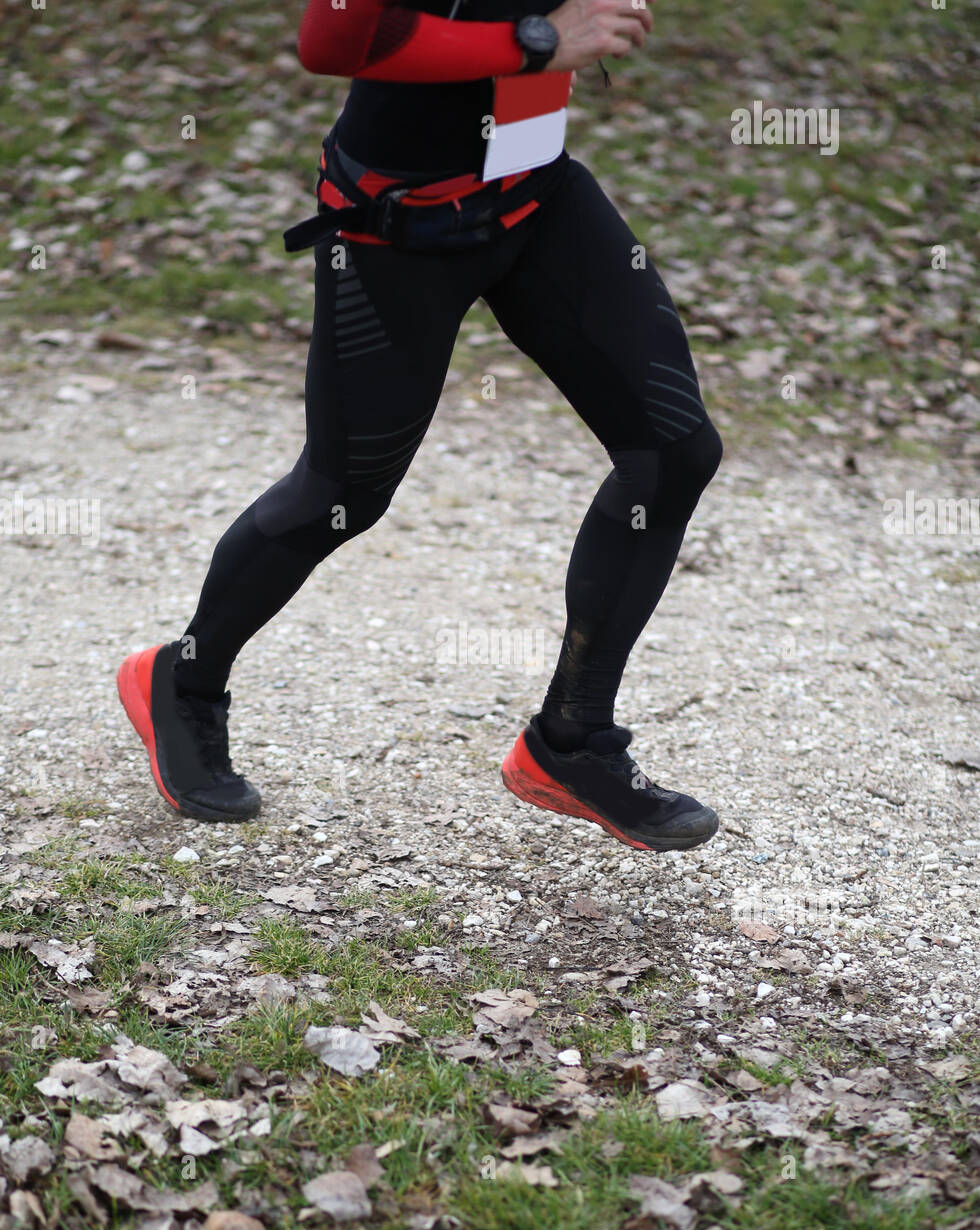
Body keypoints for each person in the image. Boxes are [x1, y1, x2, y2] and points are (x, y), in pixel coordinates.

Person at [117, 0, 723, 851]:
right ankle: (182, 679)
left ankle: (571, 742)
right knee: (345, 492)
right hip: (396, 218)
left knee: (672, 451)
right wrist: (541, 40)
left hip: (535, 190)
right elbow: (330, 39)